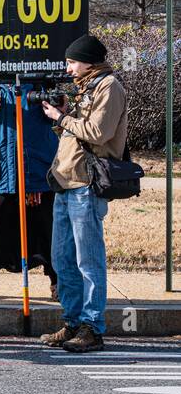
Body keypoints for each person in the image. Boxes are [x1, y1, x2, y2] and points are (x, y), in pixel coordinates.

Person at [39, 34, 129, 354]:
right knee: (62, 259)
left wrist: (61, 117)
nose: (68, 68)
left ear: (89, 60)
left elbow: (99, 132)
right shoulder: (87, 87)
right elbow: (79, 130)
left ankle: (92, 327)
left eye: (72, 61)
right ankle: (73, 321)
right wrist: (65, 115)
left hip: (87, 185)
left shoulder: (109, 87)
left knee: (88, 261)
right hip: (65, 183)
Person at [0, 81, 58, 302]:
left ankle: (56, 281)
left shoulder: (41, 78)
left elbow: (55, 112)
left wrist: (59, 103)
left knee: (46, 226)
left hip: (36, 169)